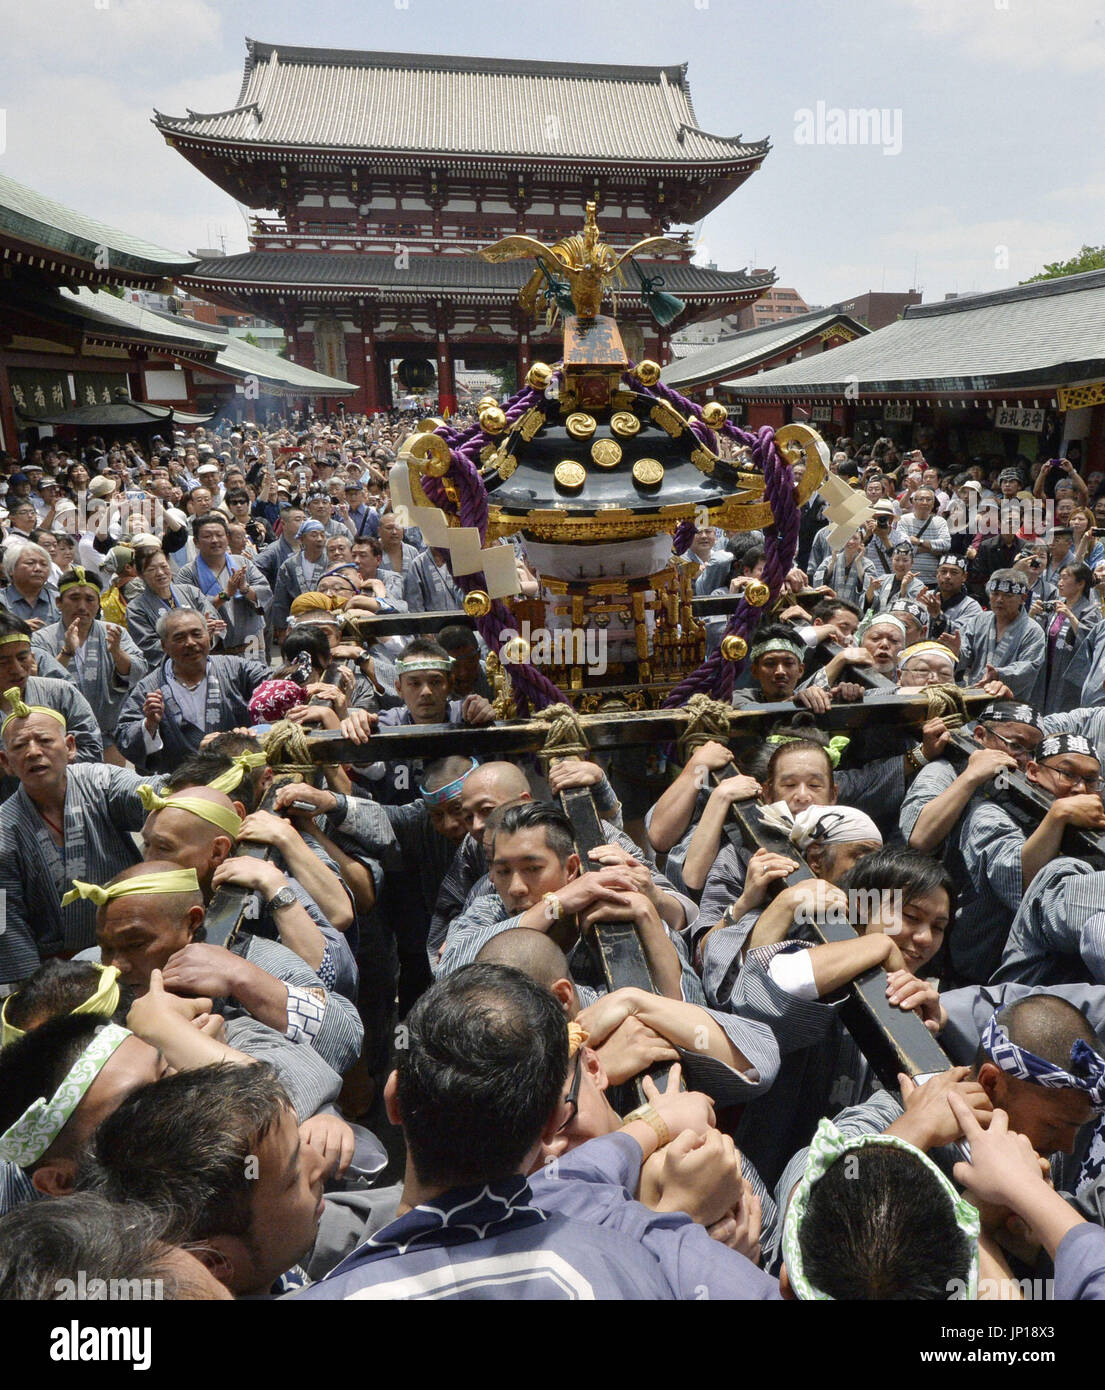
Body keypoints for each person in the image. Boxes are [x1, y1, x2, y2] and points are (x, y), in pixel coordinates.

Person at [293, 965, 779, 1301]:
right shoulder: (651, 1250)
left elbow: (590, 1171)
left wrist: (653, 1125)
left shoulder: (331, 1282)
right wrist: (679, 1237)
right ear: (548, 1126)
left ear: (394, 1100)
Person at [115, 609, 269, 773]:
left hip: (239, 775)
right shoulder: (149, 688)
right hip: (183, 785)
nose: (190, 642)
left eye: (196, 634)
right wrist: (149, 724)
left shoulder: (235, 668)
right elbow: (125, 736)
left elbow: (274, 682)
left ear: (209, 637)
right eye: (179, 638)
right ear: (164, 646)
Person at [31, 567, 147, 764]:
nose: (82, 606)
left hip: (108, 735)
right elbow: (37, 683)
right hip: (60, 737)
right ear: (59, 602)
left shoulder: (115, 632)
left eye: (90, 599)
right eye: (74, 598)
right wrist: (66, 652)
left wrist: (117, 652)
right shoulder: (41, 639)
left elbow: (139, 669)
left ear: (98, 603)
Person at [175, 514, 270, 658]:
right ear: (196, 542)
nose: (214, 540)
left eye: (219, 535)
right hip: (214, 651)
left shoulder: (243, 563)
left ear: (227, 538)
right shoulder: (187, 573)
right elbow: (187, 610)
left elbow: (265, 593)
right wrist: (225, 594)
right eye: (207, 536)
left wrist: (244, 588)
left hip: (250, 644)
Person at [126, 547, 222, 663]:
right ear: (141, 575)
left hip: (203, 662)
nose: (160, 573)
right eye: (152, 569)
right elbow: (148, 646)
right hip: (168, 670)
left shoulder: (191, 591)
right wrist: (193, 638)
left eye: (164, 566)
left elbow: (213, 619)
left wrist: (209, 632)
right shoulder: (136, 608)